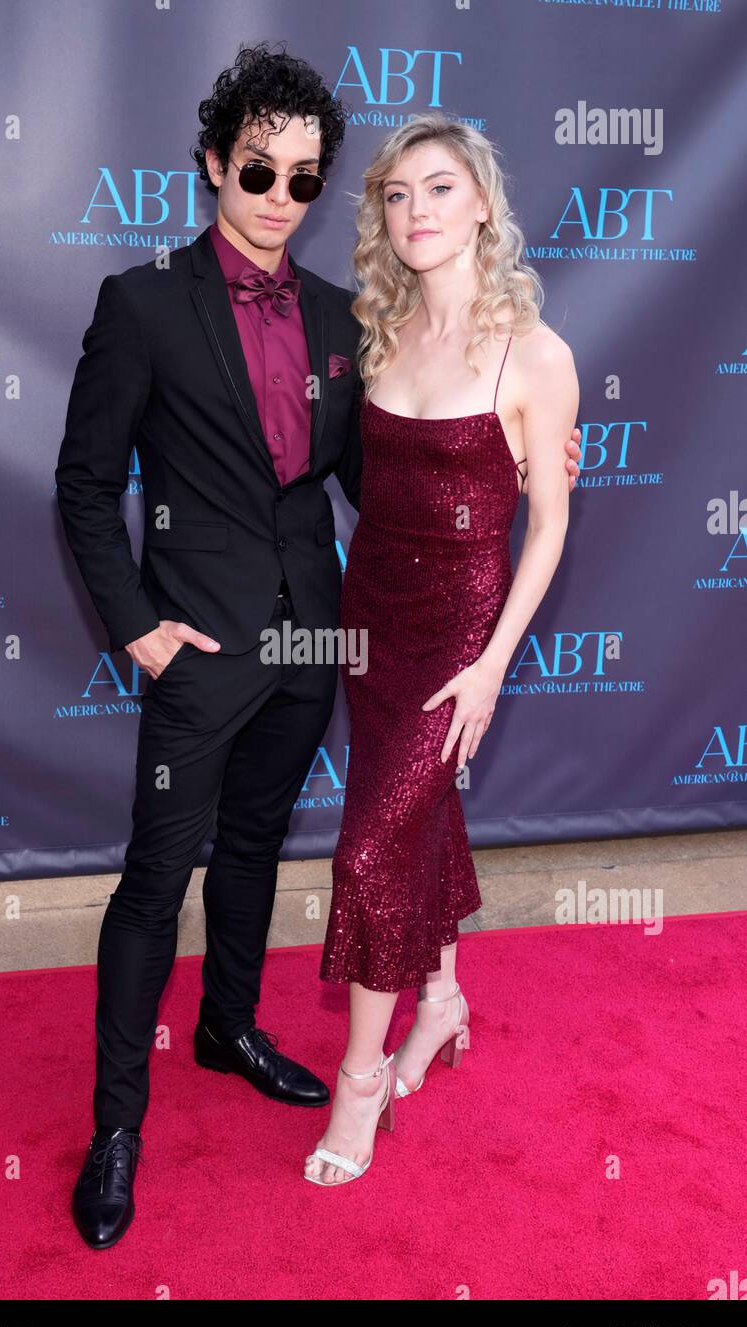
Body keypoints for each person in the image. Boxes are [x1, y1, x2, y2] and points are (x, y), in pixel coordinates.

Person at [55, 44, 582, 1245]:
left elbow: (380, 472)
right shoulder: (140, 304)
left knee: (255, 848)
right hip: (196, 648)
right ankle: (117, 1126)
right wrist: (135, 628)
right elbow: (83, 485)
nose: (278, 197)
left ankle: (229, 1026)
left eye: (302, 178)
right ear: (212, 164)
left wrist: (522, 463)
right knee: (154, 882)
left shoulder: (351, 321)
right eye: (256, 170)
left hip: (321, 639)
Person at [305, 114, 580, 1186]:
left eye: (438, 188)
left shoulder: (535, 352)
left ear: (481, 207)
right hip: (371, 612)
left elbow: (547, 527)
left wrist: (493, 663)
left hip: (460, 631)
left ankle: (359, 1079)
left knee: (368, 849)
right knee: (417, 818)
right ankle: (442, 1001)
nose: (415, 210)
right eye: (395, 194)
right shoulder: (378, 332)